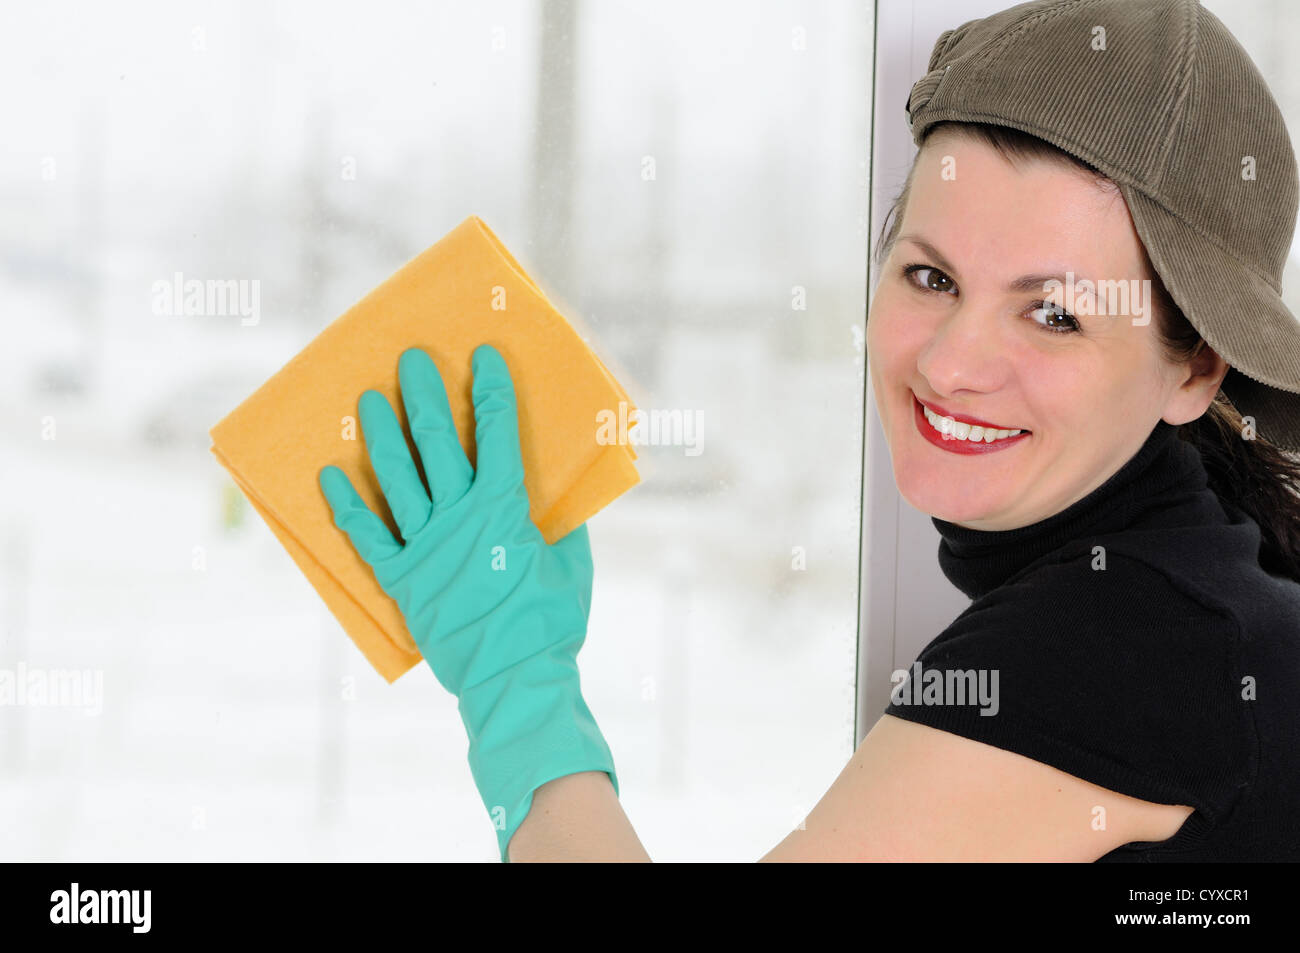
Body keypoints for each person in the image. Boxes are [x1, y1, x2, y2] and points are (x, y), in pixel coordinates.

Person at [319, 0, 1300, 861]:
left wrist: (516, 689)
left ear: (1196, 364)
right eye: (931, 276)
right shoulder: (1213, 594)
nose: (951, 363)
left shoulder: (1107, 648)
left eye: (1052, 313)